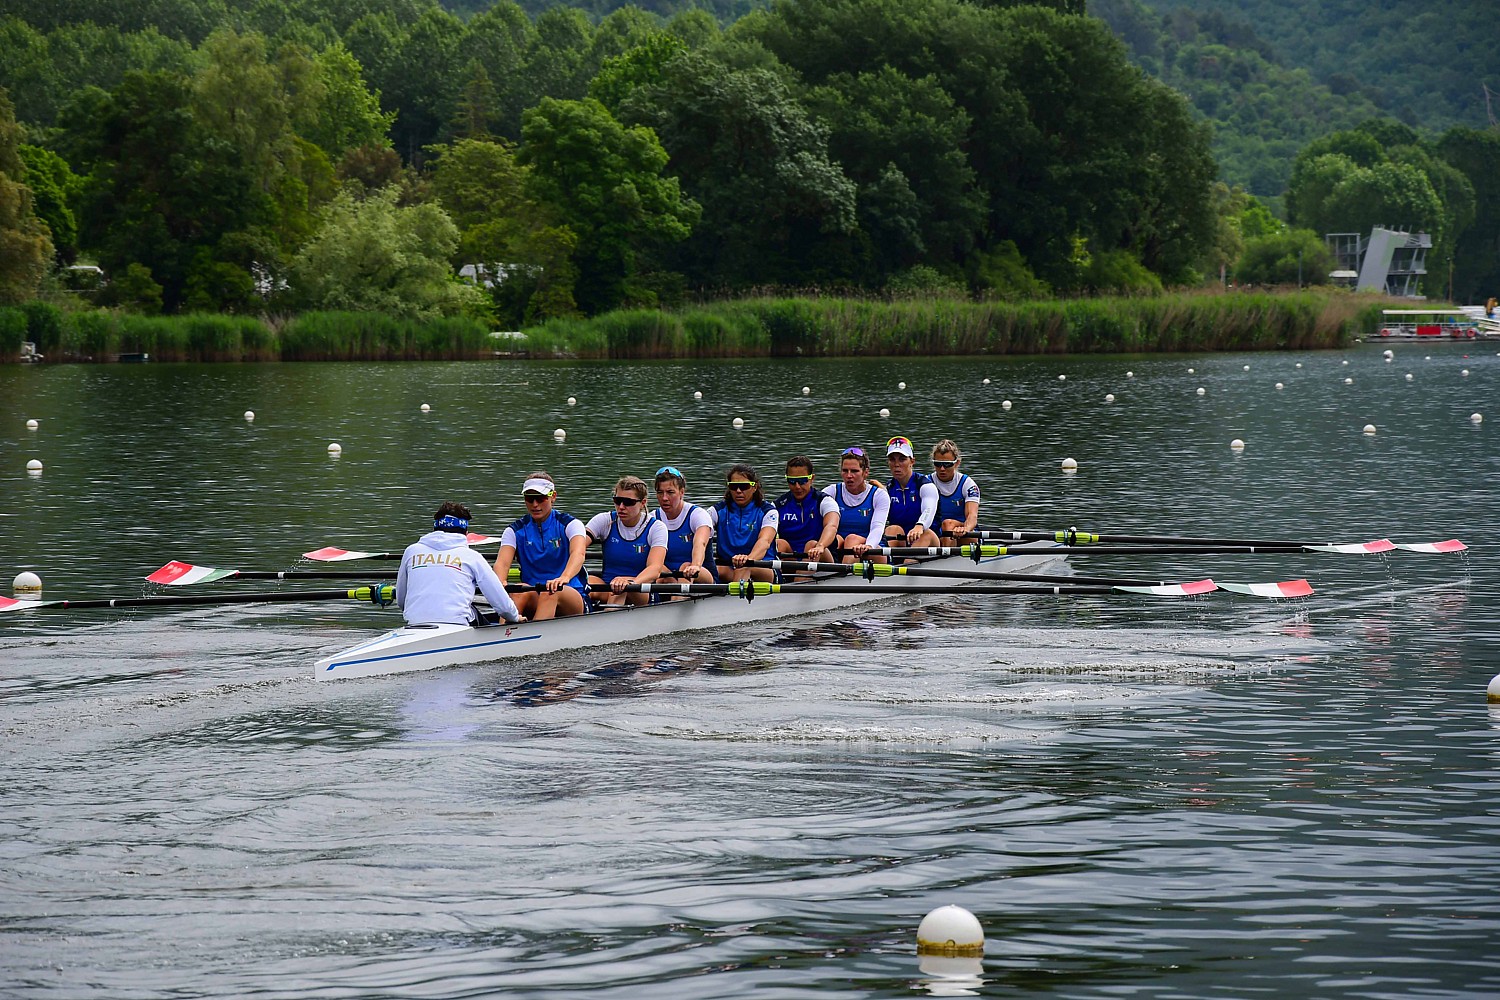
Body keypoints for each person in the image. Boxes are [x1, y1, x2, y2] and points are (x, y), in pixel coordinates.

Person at [396, 502, 523, 626]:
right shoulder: (472, 557)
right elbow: (502, 604)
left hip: (415, 623)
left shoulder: (411, 552)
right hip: (458, 625)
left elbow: (401, 600)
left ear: (434, 529)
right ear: (466, 534)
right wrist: (515, 616)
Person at [494, 472, 590, 620]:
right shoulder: (514, 531)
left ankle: (533, 639)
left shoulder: (571, 525)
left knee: (549, 591)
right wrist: (500, 582)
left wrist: (564, 577)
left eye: (541, 498)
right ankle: (503, 635)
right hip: (535, 595)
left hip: (570, 595)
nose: (535, 504)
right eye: (529, 499)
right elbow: (502, 563)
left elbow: (578, 554)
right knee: (518, 591)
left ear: (553, 496)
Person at [586, 475, 668, 606]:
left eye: (628, 502)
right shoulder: (605, 520)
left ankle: (607, 620)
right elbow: (577, 547)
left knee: (622, 588)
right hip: (608, 587)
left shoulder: (656, 527)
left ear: (643, 503)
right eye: (617, 501)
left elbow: (655, 568)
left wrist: (631, 582)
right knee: (585, 582)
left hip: (641, 590)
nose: (621, 507)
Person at [710, 463, 778, 583]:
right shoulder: (717, 511)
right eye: (733, 487)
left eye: (744, 486)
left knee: (744, 568)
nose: (738, 491)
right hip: (729, 567)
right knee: (710, 570)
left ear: (754, 487)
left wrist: (748, 559)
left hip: (762, 568)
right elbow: (700, 535)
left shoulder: (768, 512)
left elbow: (764, 542)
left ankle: (735, 600)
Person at [652, 465, 716, 585]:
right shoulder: (652, 518)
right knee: (659, 571)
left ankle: (676, 600)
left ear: (682, 492)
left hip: (701, 576)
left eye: (670, 492)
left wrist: (695, 565)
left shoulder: (698, 515)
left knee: (686, 567)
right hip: (668, 577)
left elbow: (700, 544)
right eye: (660, 493)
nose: (664, 498)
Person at [827, 446, 890, 561]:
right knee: (836, 539)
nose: (849, 476)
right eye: (845, 471)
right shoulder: (831, 492)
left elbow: (877, 527)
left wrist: (868, 545)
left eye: (854, 471)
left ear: (865, 472)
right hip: (842, 547)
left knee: (852, 539)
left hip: (873, 548)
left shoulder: (879, 495)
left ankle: (843, 576)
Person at [773, 455, 839, 564]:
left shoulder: (825, 502)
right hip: (792, 558)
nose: (797, 487)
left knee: (811, 545)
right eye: (792, 481)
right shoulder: (778, 505)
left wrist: (820, 546)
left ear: (811, 478)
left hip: (822, 557)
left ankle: (798, 579)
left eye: (802, 481)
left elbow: (831, 526)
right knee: (779, 543)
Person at [881, 436, 940, 549]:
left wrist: (919, 526)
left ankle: (907, 561)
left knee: (924, 534)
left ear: (912, 461)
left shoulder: (926, 486)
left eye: (902, 459)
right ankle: (889, 562)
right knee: (892, 529)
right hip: (903, 540)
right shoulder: (888, 489)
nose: (896, 464)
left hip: (929, 539)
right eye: (892, 459)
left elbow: (928, 510)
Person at [930, 438, 981, 543]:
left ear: (957, 463)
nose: (942, 469)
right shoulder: (927, 483)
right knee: (946, 525)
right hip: (937, 533)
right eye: (938, 464)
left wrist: (965, 529)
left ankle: (945, 557)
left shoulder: (968, 484)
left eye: (947, 464)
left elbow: (972, 515)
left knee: (948, 524)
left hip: (966, 533)